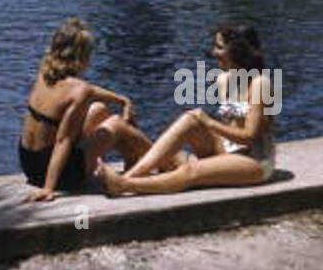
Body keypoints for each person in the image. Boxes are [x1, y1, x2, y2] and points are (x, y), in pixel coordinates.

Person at [100, 25, 276, 196]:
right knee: (190, 119)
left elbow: (248, 136)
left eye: (219, 47)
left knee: (191, 170)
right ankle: (131, 175)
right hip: (230, 150)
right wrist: (203, 127)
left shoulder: (260, 84)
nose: (214, 52)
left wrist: (208, 122)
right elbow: (230, 125)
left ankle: (125, 185)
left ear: (237, 51)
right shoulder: (224, 80)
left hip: (255, 159)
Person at [19, 17, 149, 201]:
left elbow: (92, 92)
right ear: (82, 56)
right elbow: (63, 141)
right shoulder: (79, 91)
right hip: (58, 175)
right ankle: (168, 160)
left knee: (98, 110)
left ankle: (133, 162)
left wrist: (122, 100)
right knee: (117, 124)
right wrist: (49, 189)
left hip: (29, 165)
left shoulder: (44, 74)